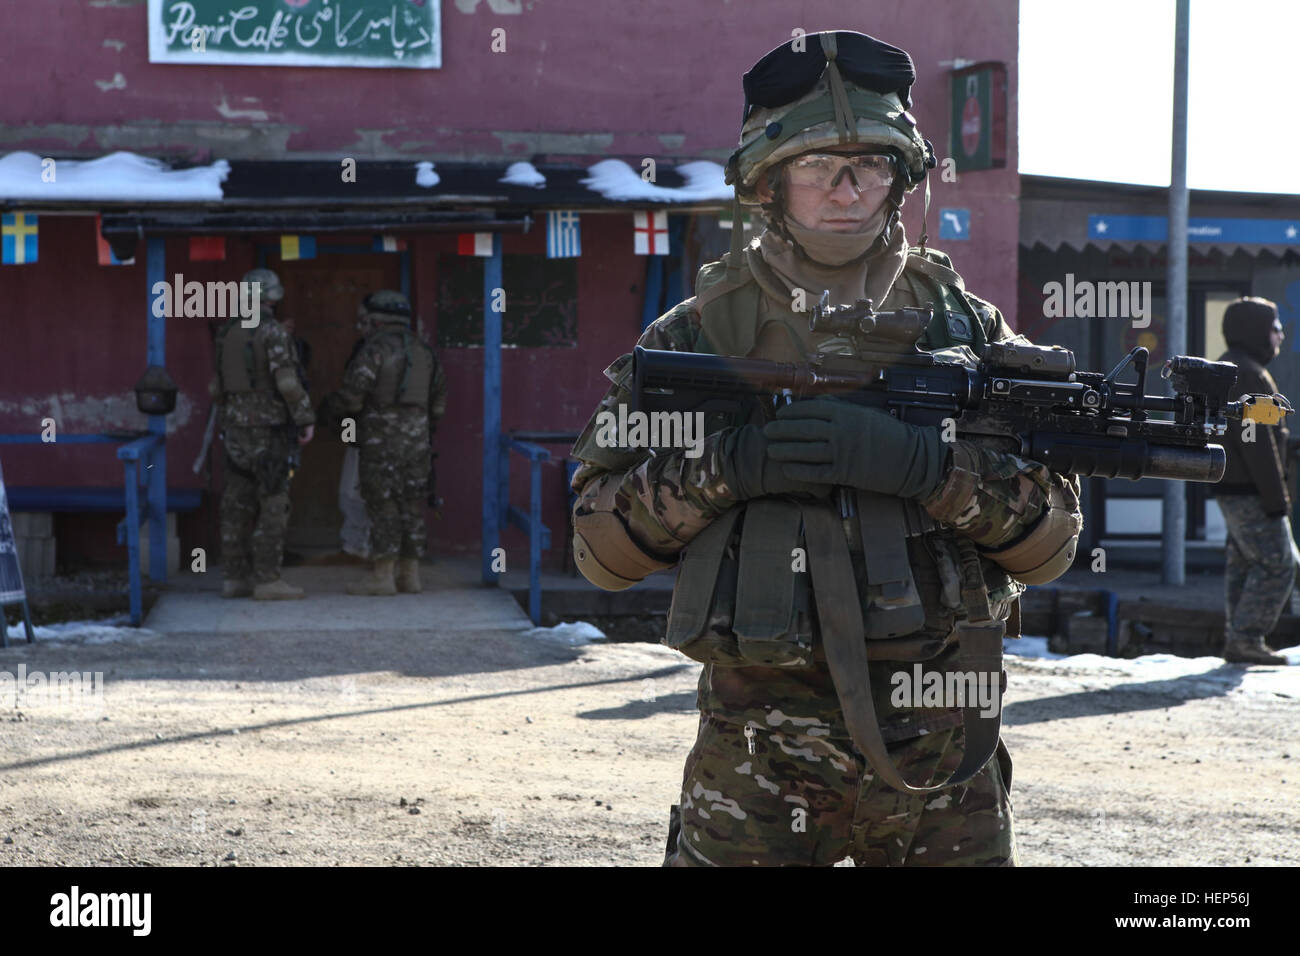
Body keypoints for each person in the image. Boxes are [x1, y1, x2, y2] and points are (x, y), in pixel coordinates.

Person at [568, 30, 1084, 866]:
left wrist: (928, 470)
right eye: (817, 169)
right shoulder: (700, 336)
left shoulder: (969, 331)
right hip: (762, 755)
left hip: (942, 749)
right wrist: (727, 469)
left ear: (901, 177)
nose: (846, 191)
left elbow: (1054, 543)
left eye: (869, 167)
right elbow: (600, 550)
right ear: (769, 186)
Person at [319, 290, 447, 595]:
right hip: (418, 443)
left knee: (383, 505)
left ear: (376, 320)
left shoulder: (373, 350)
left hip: (380, 442)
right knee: (411, 506)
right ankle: (410, 576)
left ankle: (382, 576)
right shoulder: (424, 351)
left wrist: (327, 413)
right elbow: (439, 402)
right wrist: (420, 430)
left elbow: (352, 398)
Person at [210, 267, 315, 600]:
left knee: (236, 503)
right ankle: (268, 580)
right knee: (273, 501)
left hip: (234, 429)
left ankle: (233, 577)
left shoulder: (227, 331)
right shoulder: (272, 332)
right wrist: (304, 418)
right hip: (268, 430)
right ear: (272, 297)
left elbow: (216, 386)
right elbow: (286, 382)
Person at [1213, 297, 1291, 666]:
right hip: (1252, 490)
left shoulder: (1232, 368)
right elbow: (1259, 444)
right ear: (1259, 332)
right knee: (1279, 563)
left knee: (1244, 563)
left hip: (1232, 487)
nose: (1281, 335)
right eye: (1276, 328)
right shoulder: (1250, 374)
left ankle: (1239, 639)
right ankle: (1245, 639)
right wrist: (1277, 501)